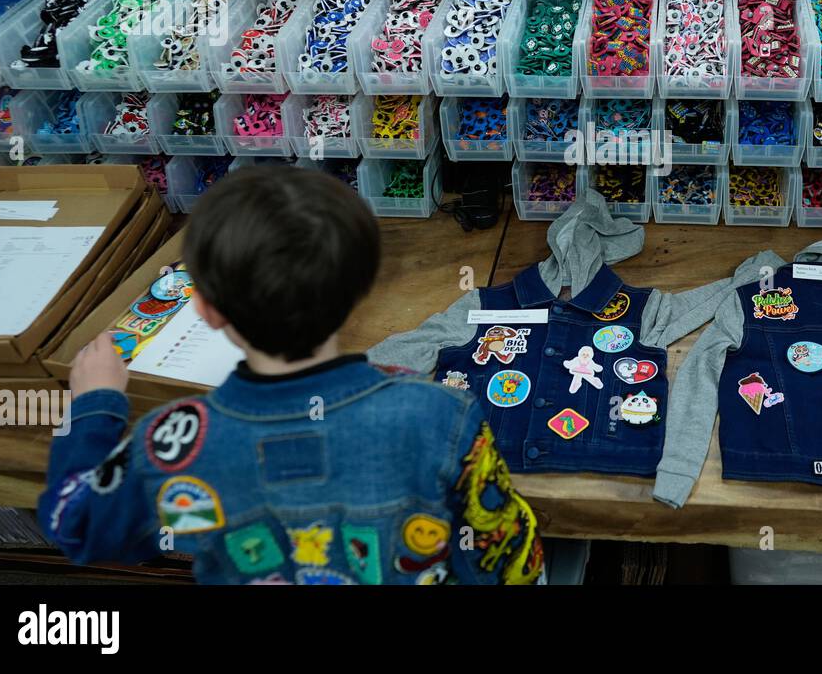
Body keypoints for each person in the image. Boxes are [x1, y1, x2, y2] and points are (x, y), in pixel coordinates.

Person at [38, 165, 542, 585]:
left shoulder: (172, 442)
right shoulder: (440, 414)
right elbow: (507, 561)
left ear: (208, 311)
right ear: (361, 292)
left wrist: (95, 405)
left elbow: (74, 525)